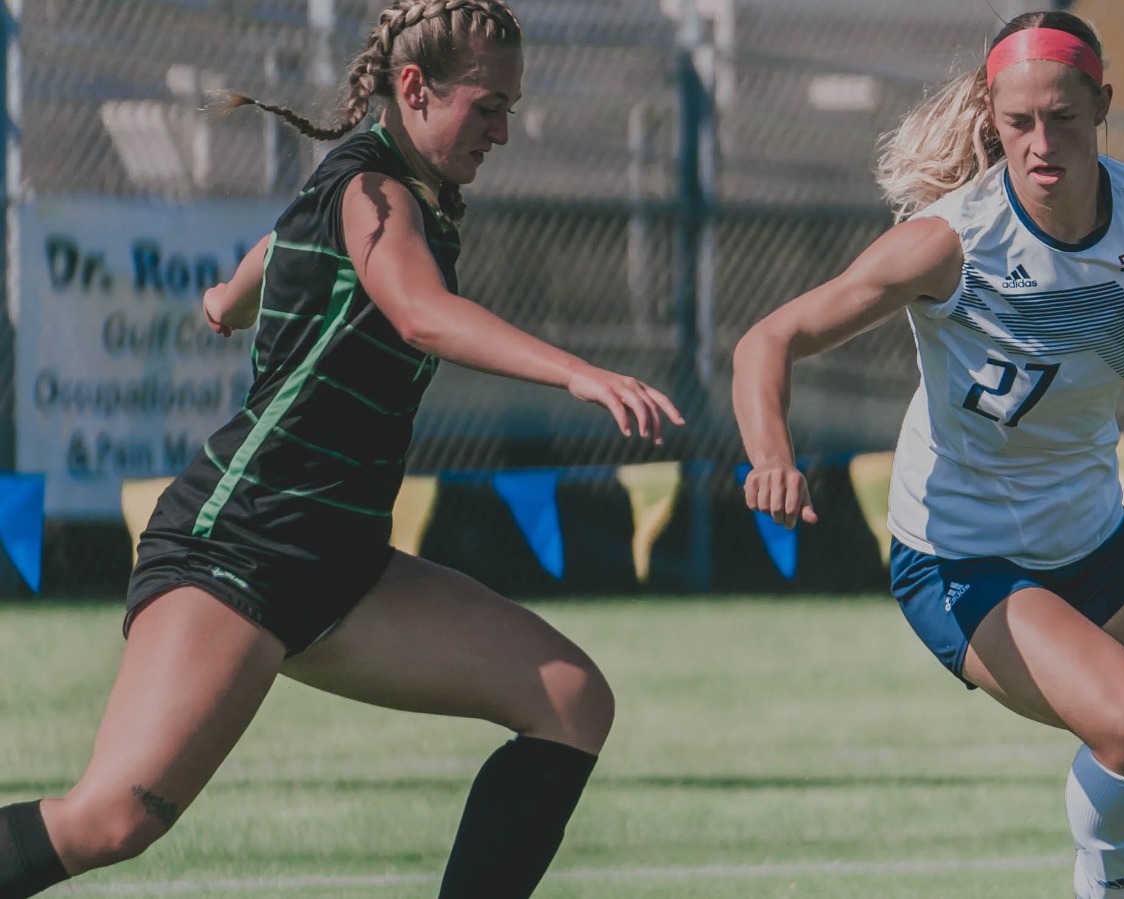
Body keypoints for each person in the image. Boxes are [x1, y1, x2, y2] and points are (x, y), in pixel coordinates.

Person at [0, 2, 685, 896]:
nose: (505, 131)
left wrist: (226, 298)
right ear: (414, 88)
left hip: (341, 566)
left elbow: (277, 240)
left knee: (569, 698)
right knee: (112, 819)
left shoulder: (379, 188)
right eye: (487, 107)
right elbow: (417, 310)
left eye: (511, 107)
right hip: (236, 552)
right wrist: (574, 373)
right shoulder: (374, 191)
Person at [732, 10, 1124, 899]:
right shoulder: (951, 243)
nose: (1041, 142)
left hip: (1089, 539)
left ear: (1103, 105)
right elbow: (768, 339)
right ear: (992, 117)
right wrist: (770, 453)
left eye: (1063, 117)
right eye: (1019, 122)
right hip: (961, 555)